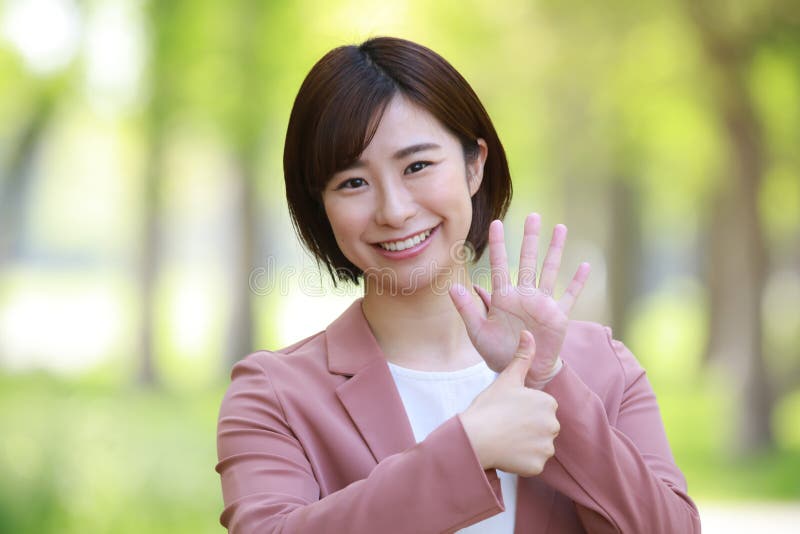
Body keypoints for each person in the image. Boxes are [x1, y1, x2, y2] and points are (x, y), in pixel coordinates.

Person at [215, 36, 701, 533]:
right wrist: (467, 450)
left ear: (474, 166)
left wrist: (548, 381)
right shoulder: (275, 396)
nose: (394, 210)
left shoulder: (601, 367)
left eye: (418, 166)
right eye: (353, 183)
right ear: (321, 205)